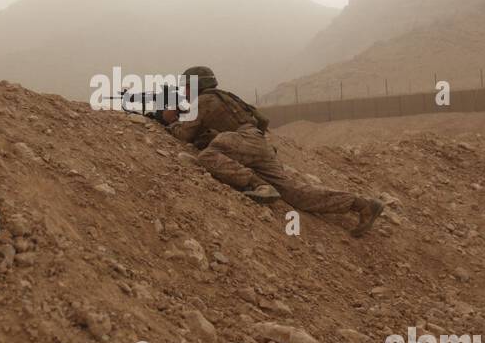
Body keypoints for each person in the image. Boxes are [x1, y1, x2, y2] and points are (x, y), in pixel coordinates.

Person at [162, 66, 385, 236]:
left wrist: (169, 118)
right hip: (257, 142)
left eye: (186, 86)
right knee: (296, 193)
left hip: (242, 139)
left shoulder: (204, 100)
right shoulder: (223, 97)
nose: (184, 90)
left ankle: (257, 185)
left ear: (197, 85)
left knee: (208, 156)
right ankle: (361, 204)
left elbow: (184, 134)